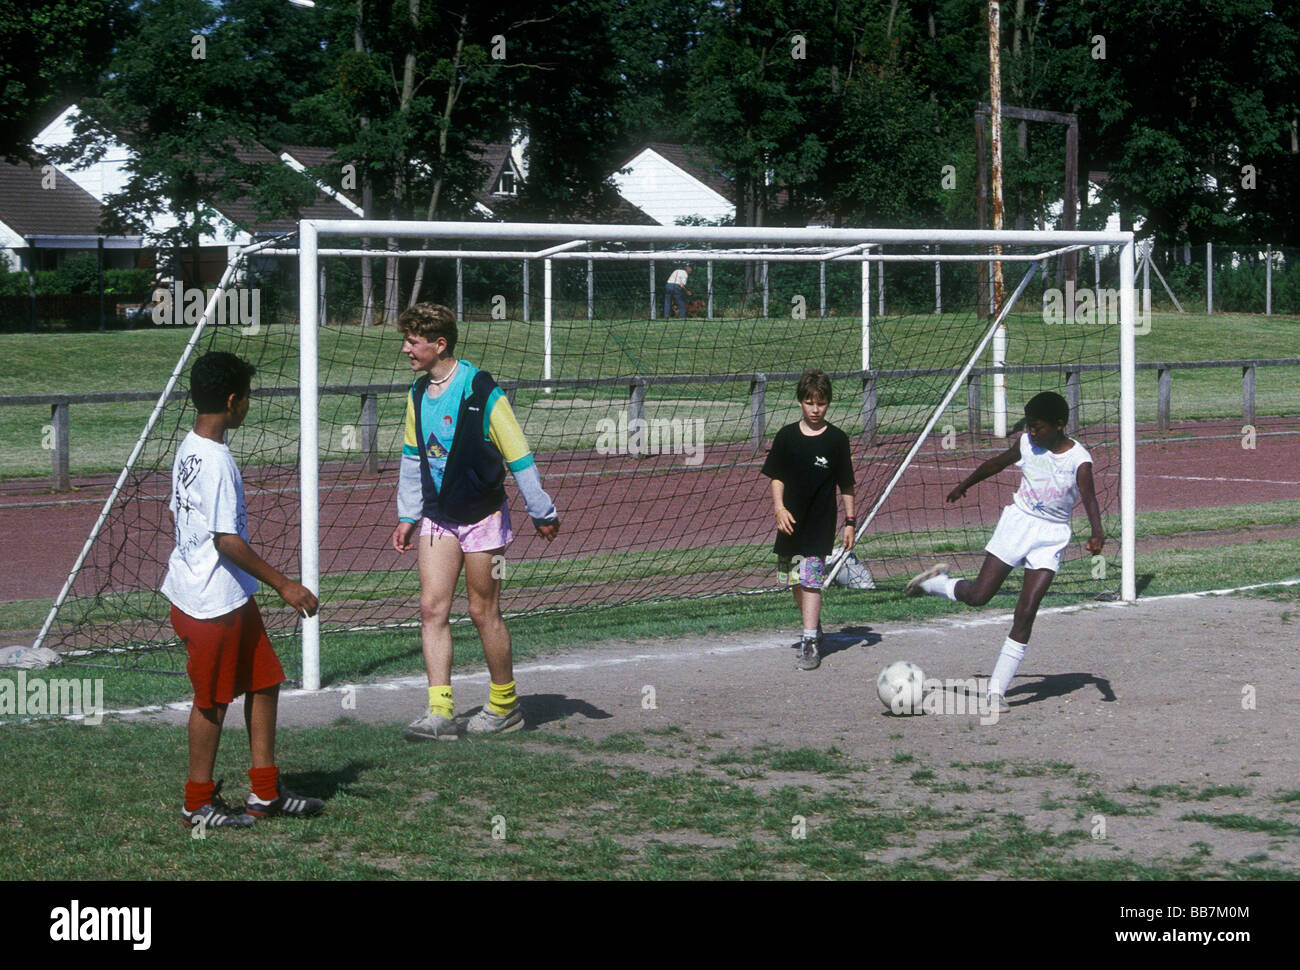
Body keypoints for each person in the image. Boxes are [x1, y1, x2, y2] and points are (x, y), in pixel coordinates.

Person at [162, 351, 322, 829]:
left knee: (264, 681)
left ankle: (266, 792)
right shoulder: (216, 462)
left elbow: (180, 513)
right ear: (234, 402)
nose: (249, 405)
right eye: (247, 397)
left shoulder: (189, 444)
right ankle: (197, 802)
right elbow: (226, 540)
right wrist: (285, 585)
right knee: (211, 702)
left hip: (228, 595)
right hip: (209, 603)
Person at [392, 303, 559, 740]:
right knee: (432, 608)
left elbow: (518, 453)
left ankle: (505, 707)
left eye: (413, 341)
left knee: (483, 610)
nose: (405, 349)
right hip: (438, 518)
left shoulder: (481, 389)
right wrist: (408, 515)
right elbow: (412, 459)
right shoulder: (415, 394)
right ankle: (439, 712)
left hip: (484, 516)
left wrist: (540, 509)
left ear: (439, 343)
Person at [905, 391, 1104, 713]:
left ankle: (996, 691)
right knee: (979, 596)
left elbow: (1090, 498)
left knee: (1026, 611)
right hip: (1018, 524)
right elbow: (997, 463)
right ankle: (934, 582)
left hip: (1051, 536)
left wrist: (1097, 532)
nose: (1032, 432)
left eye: (1037, 427)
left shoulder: (1079, 460)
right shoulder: (1027, 443)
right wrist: (965, 483)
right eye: (1029, 426)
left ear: (1059, 425)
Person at [761, 370, 856, 671]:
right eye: (809, 402)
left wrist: (850, 522)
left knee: (811, 578)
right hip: (789, 522)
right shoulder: (786, 437)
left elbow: (847, 485)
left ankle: (809, 640)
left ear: (829, 403)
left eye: (822, 403)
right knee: (793, 580)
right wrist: (779, 509)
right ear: (800, 402)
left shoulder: (837, 440)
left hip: (820, 522)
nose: (815, 410)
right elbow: (776, 477)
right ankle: (813, 625)